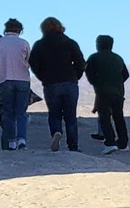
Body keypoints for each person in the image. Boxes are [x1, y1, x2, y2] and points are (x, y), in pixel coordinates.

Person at [27, 17, 87, 152]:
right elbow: (81, 62)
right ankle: (73, 146)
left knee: (54, 113)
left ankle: (56, 132)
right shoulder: (70, 43)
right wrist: (75, 76)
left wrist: (42, 76)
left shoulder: (40, 45)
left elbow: (33, 63)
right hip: (69, 82)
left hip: (51, 83)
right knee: (70, 115)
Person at [0, 19, 33, 150]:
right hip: (23, 79)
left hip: (5, 79)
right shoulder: (24, 43)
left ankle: (11, 141)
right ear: (19, 30)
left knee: (8, 112)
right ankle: (22, 140)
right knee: (21, 112)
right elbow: (28, 61)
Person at [86, 34, 130, 153]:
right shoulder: (118, 58)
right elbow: (126, 74)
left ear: (98, 45)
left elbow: (89, 72)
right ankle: (123, 143)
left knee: (104, 117)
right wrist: (117, 82)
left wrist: (96, 83)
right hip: (118, 92)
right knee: (118, 117)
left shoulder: (94, 57)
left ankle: (110, 142)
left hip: (103, 92)